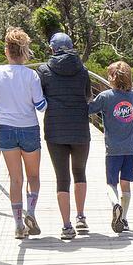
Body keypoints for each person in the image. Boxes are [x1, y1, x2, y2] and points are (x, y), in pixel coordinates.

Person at [0, 27, 46, 240]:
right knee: (34, 176)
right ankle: (31, 211)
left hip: (6, 129)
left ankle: (18, 224)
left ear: (6, 51)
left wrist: (1, 115)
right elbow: (40, 106)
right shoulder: (32, 75)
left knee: (15, 179)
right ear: (25, 51)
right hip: (29, 128)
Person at [37, 32, 92, 241]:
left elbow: (39, 98)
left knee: (62, 178)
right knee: (80, 172)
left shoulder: (43, 70)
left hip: (55, 129)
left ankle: (67, 227)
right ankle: (80, 216)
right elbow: (87, 96)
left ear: (52, 49)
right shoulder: (83, 70)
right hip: (80, 129)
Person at [88, 60, 133, 234]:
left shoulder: (106, 96)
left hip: (113, 149)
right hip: (130, 148)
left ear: (112, 78)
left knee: (111, 183)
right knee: (126, 184)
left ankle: (115, 204)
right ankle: (124, 219)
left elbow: (90, 109)